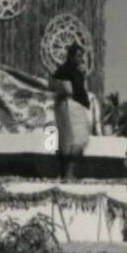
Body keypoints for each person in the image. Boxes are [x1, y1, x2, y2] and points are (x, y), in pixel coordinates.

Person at [51, 43, 91, 181]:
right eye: (78, 55)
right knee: (72, 140)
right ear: (72, 56)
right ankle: (67, 173)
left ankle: (67, 173)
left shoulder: (75, 71)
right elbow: (66, 88)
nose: (81, 58)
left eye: (82, 56)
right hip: (69, 106)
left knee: (75, 139)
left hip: (73, 105)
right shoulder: (66, 70)